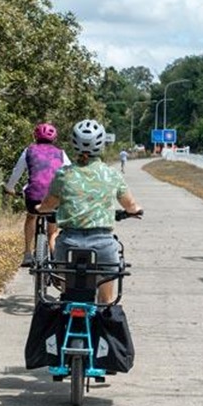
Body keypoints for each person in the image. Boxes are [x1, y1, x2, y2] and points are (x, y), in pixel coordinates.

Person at [38, 119, 143, 304]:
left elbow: (48, 205)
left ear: (74, 144)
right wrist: (135, 210)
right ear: (101, 145)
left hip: (69, 244)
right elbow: (131, 205)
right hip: (103, 246)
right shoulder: (112, 174)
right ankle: (102, 312)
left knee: (67, 296)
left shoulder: (63, 174)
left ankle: (67, 310)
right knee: (106, 301)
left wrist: (39, 208)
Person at [4, 122, 71, 267]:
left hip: (34, 198)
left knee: (31, 216)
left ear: (35, 136)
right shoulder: (61, 153)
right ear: (55, 138)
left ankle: (27, 254)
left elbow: (17, 172)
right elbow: (70, 174)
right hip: (55, 197)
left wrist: (9, 188)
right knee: (52, 230)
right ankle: (56, 259)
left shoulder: (28, 151)